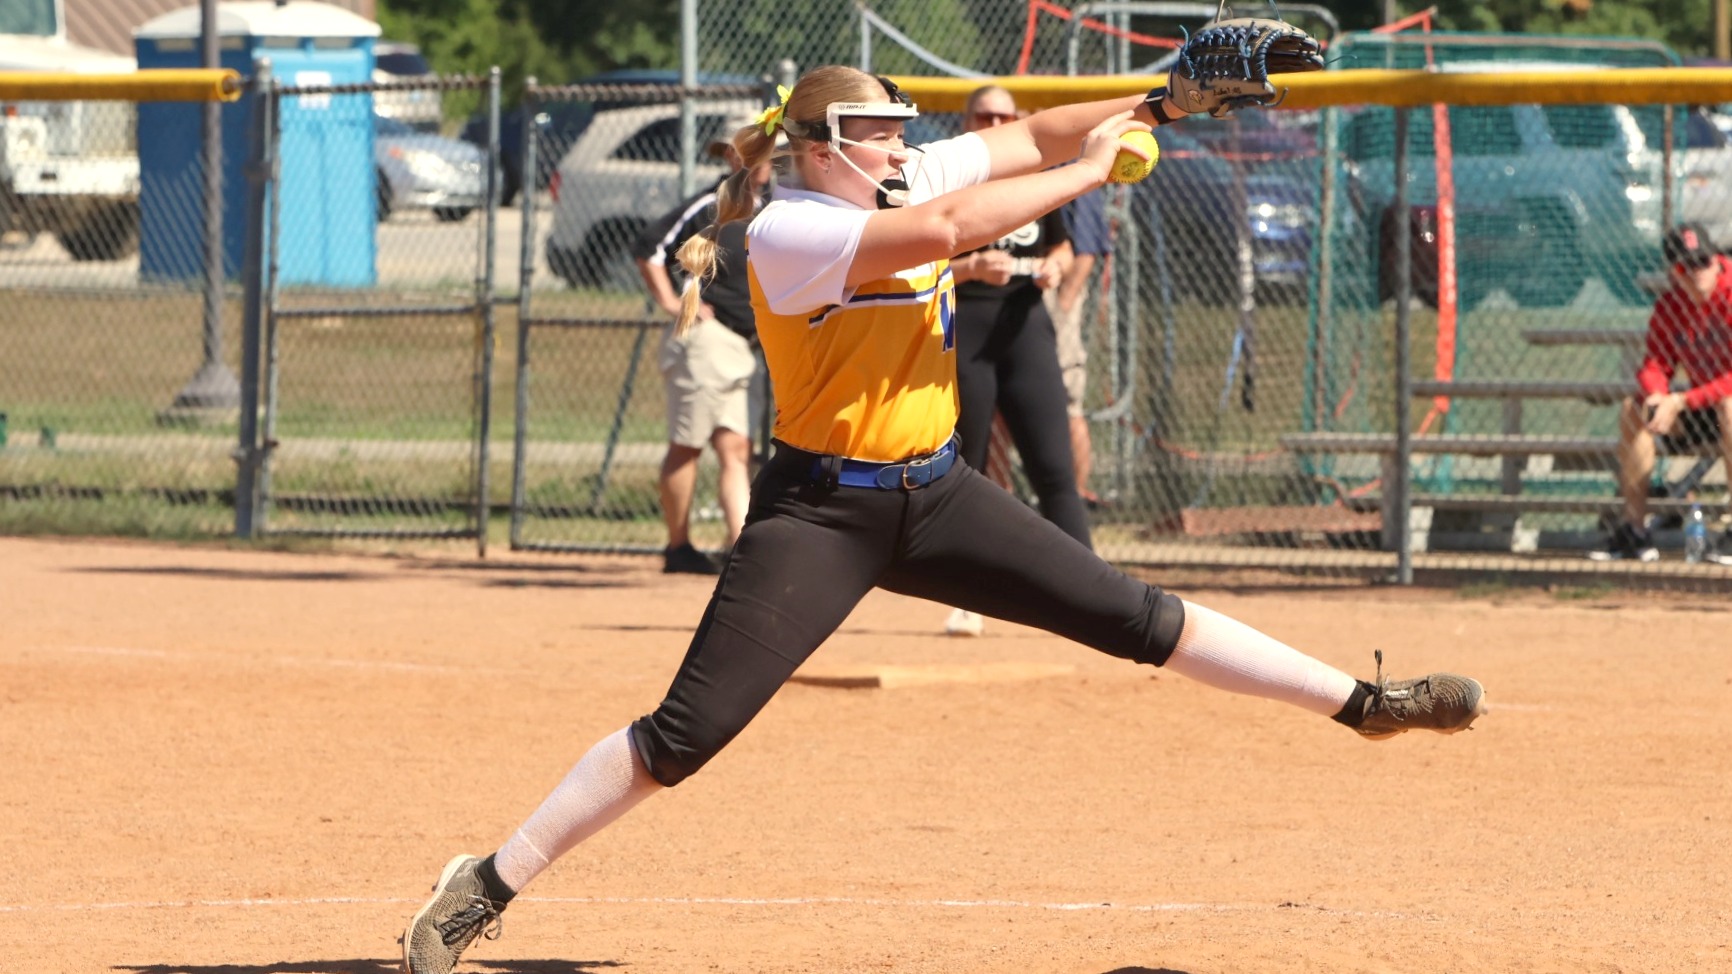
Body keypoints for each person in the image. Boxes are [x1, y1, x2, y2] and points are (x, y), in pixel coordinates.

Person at [400, 66, 1488, 974]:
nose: (896, 144)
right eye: (871, 132)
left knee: (1137, 615)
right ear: (819, 147)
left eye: (895, 128)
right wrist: (1097, 167)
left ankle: (1364, 701)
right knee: (685, 736)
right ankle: (485, 882)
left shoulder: (892, 177)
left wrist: (1163, 97)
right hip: (821, 512)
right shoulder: (790, 228)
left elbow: (1035, 134)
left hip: (937, 491)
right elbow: (960, 221)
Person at [943, 84, 1085, 638]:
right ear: (966, 119)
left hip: (1024, 326)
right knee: (966, 469)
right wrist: (972, 269)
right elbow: (913, 269)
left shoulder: (1031, 180)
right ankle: (967, 597)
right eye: (984, 113)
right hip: (965, 329)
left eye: (1004, 115)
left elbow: (1062, 245)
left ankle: (1089, 591)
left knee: (1054, 466)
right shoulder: (946, 181)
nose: (994, 120)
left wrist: (1053, 266)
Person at [632, 140, 771, 574]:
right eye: (752, 153)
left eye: (767, 154)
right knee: (690, 445)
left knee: (736, 448)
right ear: (731, 158)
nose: (762, 163)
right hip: (705, 339)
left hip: (740, 345)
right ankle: (680, 548)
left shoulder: (769, 208)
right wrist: (674, 303)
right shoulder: (712, 205)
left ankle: (738, 550)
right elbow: (650, 247)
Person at [1589, 221, 1732, 564]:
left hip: (1720, 403)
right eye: (1687, 265)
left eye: (1703, 261)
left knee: (1730, 406)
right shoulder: (1671, 306)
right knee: (1633, 409)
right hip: (1702, 405)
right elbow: (1655, 363)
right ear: (1673, 272)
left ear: (1716, 259)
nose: (1697, 272)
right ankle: (1635, 533)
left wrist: (1680, 400)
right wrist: (1657, 397)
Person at [1048, 186, 1113, 508]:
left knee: (1067, 401)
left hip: (1057, 298)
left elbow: (1085, 252)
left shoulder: (1076, 167)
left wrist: (1063, 307)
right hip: (1019, 292)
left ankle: (1075, 495)